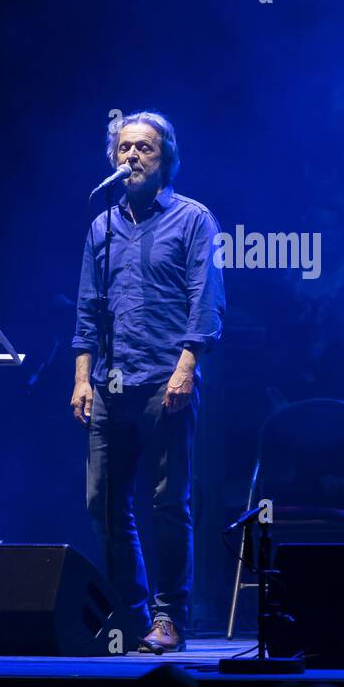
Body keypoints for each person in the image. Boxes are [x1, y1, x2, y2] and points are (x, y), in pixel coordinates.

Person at [71, 112, 226, 654]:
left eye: (145, 149)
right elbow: (88, 309)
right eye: (123, 149)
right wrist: (81, 377)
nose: (132, 157)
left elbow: (205, 301)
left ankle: (170, 617)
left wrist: (187, 366)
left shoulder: (193, 220)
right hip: (111, 384)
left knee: (168, 502)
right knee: (103, 503)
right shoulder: (101, 227)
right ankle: (132, 614)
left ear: (167, 159)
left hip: (166, 380)